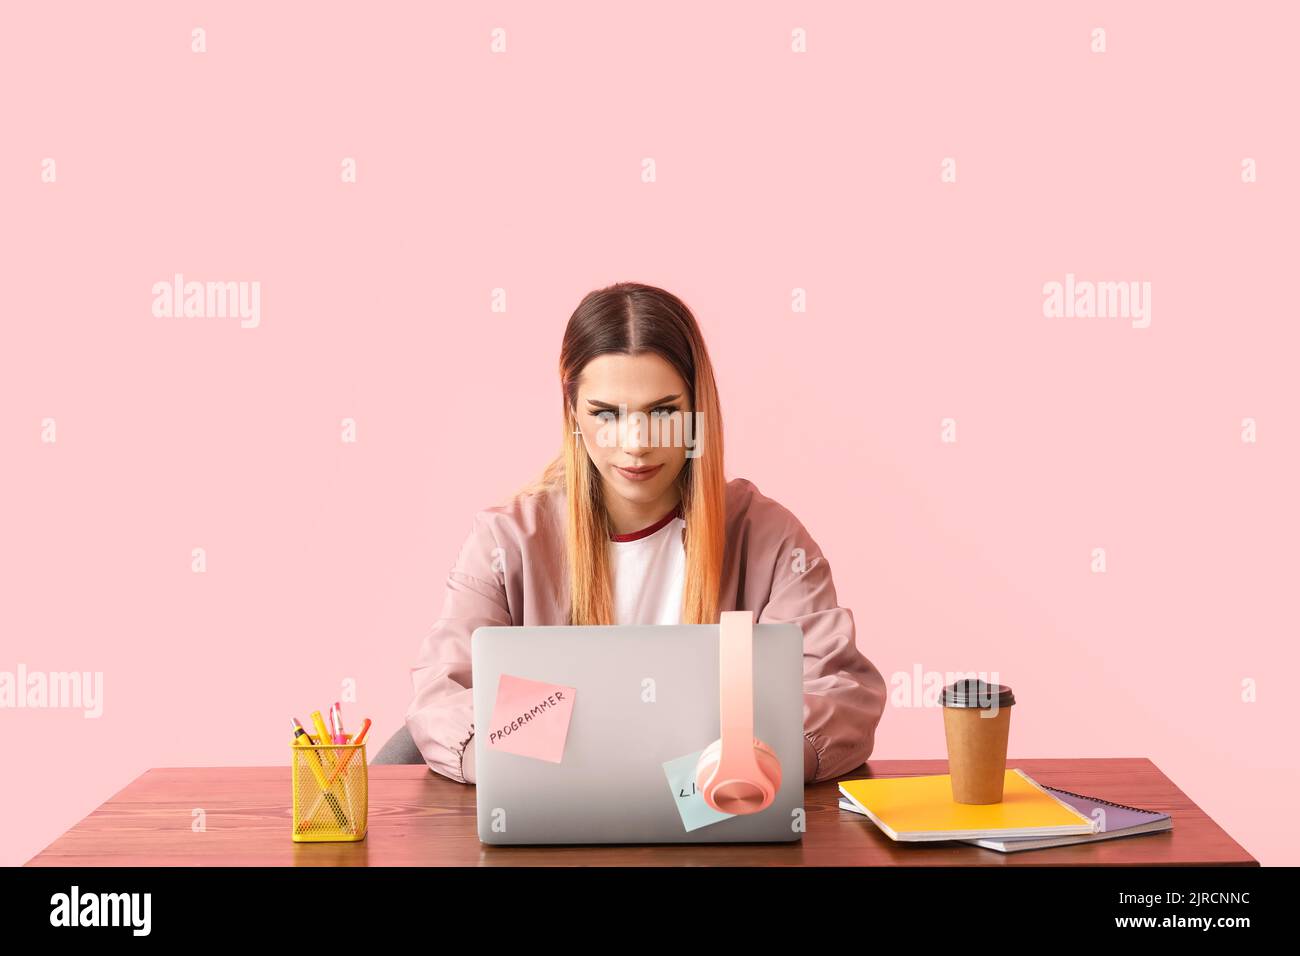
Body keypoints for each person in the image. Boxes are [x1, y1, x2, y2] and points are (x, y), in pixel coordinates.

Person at [395, 281, 886, 784]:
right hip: (558, 831)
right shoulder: (506, 541)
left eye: (663, 412)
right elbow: (442, 693)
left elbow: (840, 693)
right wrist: (552, 771)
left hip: (717, 823)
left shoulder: (770, 538)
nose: (637, 444)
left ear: (698, 410)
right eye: (606, 414)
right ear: (572, 415)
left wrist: (712, 780)